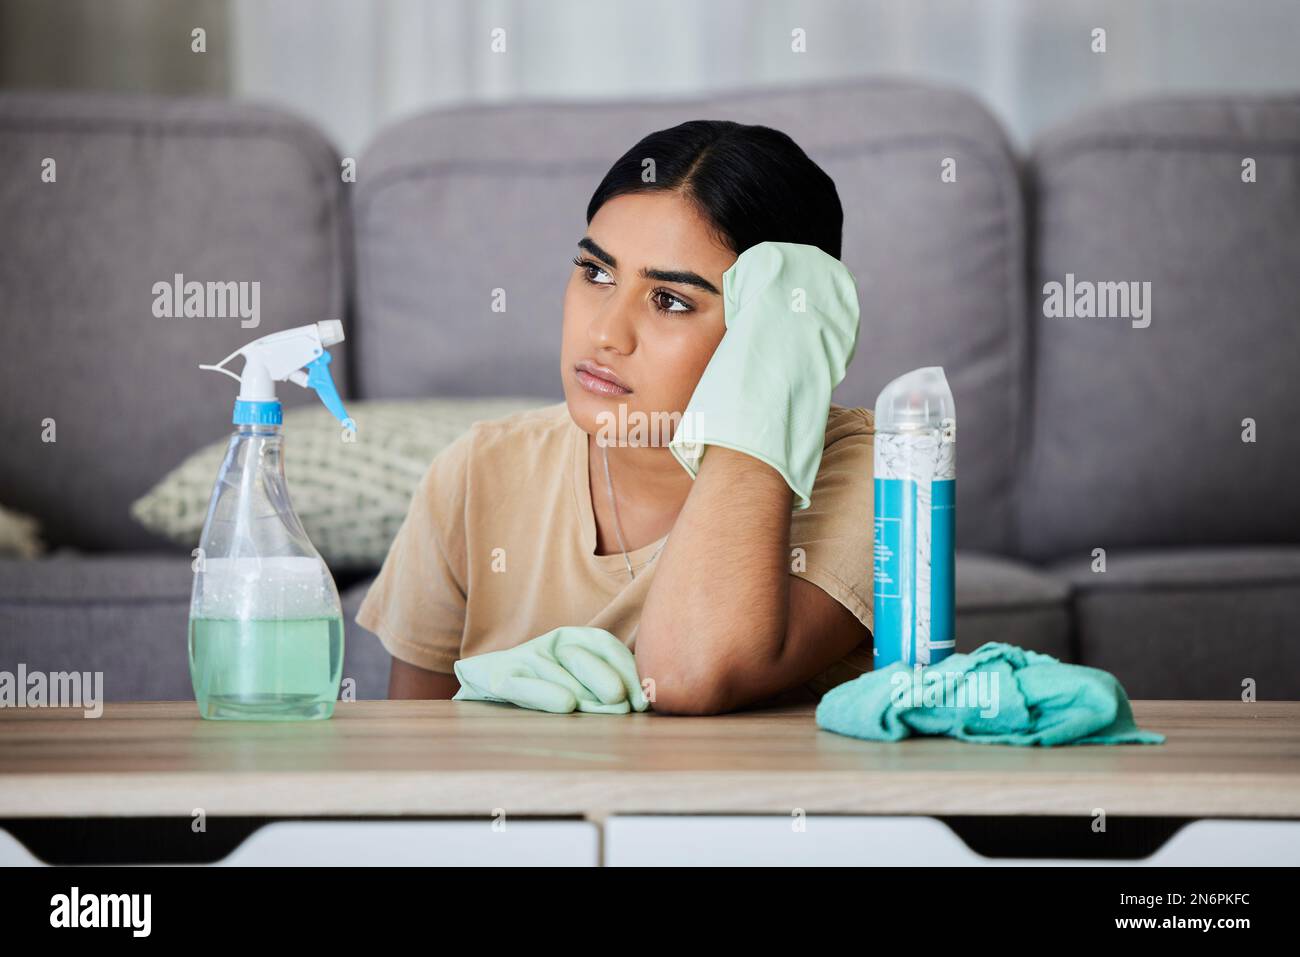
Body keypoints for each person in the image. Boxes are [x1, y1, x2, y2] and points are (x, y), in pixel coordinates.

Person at [356, 119, 875, 714]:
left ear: (769, 322)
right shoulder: (479, 470)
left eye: (670, 300)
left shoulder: (876, 477)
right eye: (596, 272)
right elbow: (411, 746)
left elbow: (691, 673)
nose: (605, 332)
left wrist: (777, 360)